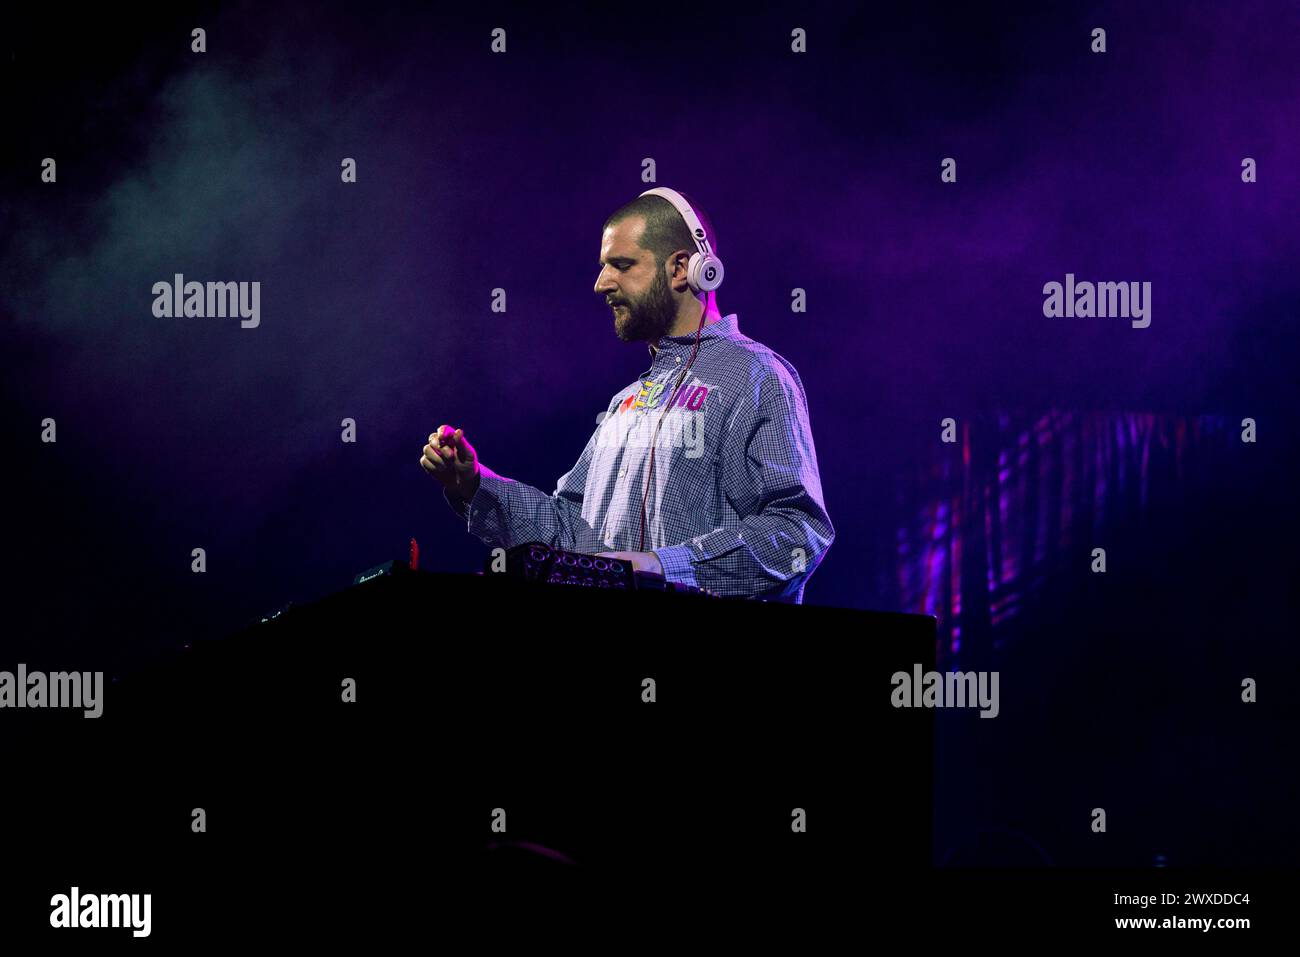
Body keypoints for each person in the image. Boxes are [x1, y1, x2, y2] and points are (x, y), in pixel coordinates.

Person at [420, 188, 833, 602]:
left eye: (622, 265)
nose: (601, 284)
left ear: (682, 269)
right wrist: (473, 485)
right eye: (604, 267)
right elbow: (570, 533)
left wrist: (659, 566)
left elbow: (799, 531)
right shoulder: (626, 402)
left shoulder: (755, 374)